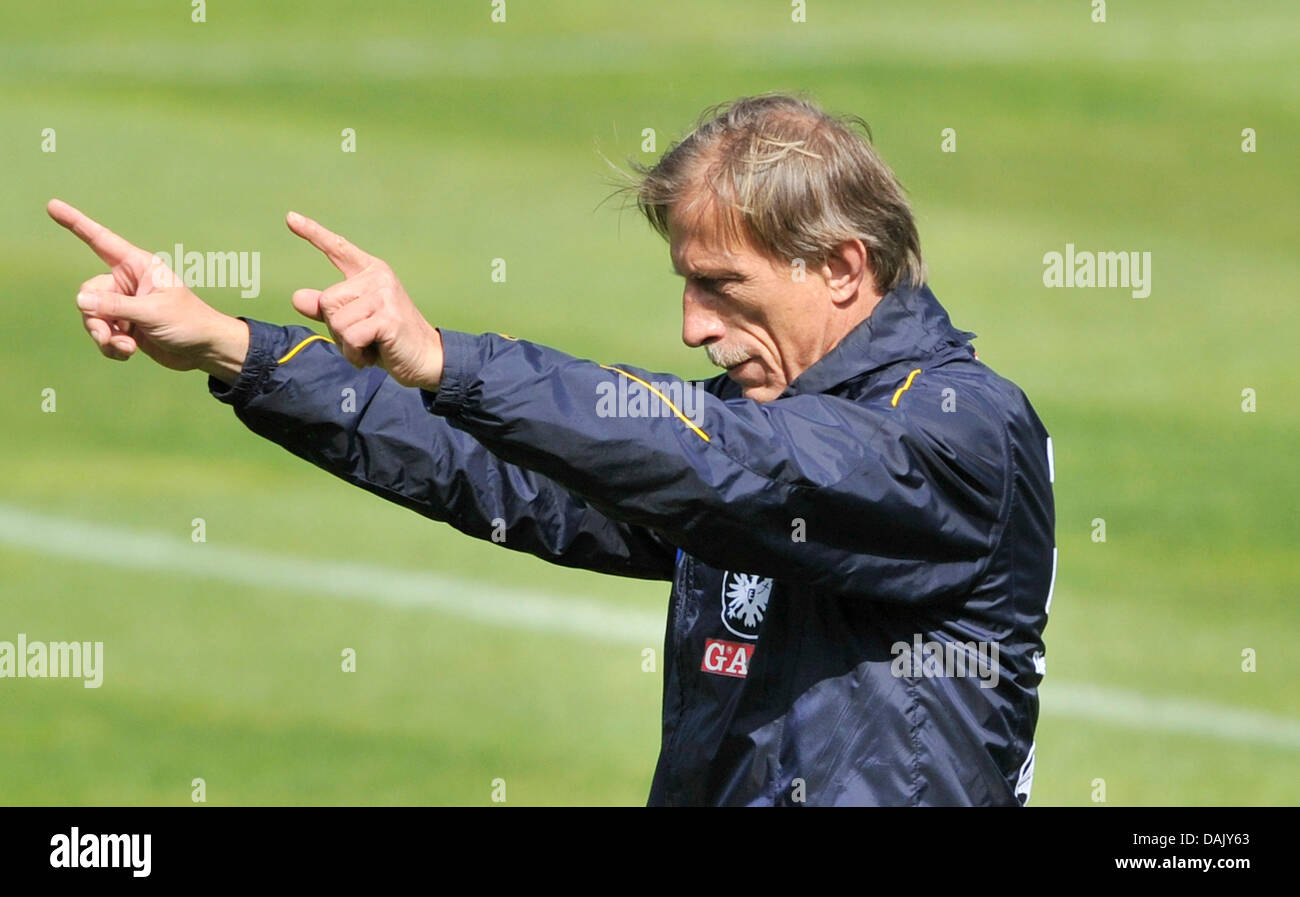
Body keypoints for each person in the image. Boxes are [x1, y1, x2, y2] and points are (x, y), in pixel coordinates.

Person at [49, 93, 1055, 806]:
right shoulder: (748, 424)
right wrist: (236, 347)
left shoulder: (957, 431)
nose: (691, 327)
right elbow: (507, 472)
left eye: (722, 287)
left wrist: (447, 357)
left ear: (840, 267)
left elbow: (733, 463)